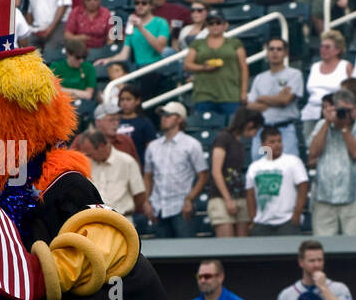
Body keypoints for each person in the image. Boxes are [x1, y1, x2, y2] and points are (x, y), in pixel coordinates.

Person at [307, 90, 356, 235]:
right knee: (324, 246)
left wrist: (344, 128)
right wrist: (327, 123)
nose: (345, 114)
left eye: (349, 110)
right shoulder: (321, 126)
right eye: (342, 110)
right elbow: (313, 153)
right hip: (324, 196)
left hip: (355, 197)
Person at [140, 101, 208, 238]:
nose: (163, 118)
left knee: (186, 254)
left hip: (181, 206)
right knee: (164, 255)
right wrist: (146, 201)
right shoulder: (153, 146)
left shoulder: (192, 145)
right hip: (158, 207)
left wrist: (189, 199)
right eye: (163, 115)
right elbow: (148, 177)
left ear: (180, 119)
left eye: (168, 115)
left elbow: (203, 176)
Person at [205, 106, 263, 237]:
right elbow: (216, 171)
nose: (255, 134)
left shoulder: (239, 142)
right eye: (256, 129)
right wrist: (228, 199)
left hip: (239, 196)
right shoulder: (223, 138)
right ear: (250, 124)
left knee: (243, 244)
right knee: (227, 246)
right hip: (221, 197)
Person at [247, 37, 304, 162]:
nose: (275, 52)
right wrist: (277, 98)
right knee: (260, 168)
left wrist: (262, 98)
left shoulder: (294, 74)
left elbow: (285, 101)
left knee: (288, 167)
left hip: (285, 129)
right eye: (271, 49)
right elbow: (250, 105)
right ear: (267, 52)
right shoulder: (259, 78)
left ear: (285, 53)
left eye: (279, 49)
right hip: (262, 131)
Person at [185, 10, 249, 121]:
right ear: (207, 26)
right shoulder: (198, 43)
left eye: (218, 22)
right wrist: (203, 67)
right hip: (204, 94)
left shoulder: (234, 43)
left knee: (232, 128)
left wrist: (243, 91)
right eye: (211, 23)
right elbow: (187, 65)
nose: (215, 26)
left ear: (225, 25)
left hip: (230, 94)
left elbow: (243, 67)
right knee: (203, 126)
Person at [245, 126, 309, 235]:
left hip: (287, 221)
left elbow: (303, 187)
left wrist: (297, 214)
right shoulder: (254, 167)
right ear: (263, 145)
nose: (277, 145)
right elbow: (250, 194)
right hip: (262, 222)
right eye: (272, 142)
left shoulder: (293, 161)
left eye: (279, 141)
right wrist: (253, 218)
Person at [80, 129, 145, 219]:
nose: (87, 158)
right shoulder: (87, 165)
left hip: (122, 220)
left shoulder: (127, 162)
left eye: (90, 155)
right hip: (94, 222)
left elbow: (139, 195)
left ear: (101, 146)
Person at [301, 29, 352, 122]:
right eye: (322, 46)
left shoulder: (345, 66)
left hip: (335, 114)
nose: (323, 50)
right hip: (310, 115)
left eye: (327, 47)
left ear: (338, 49)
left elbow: (350, 93)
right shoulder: (315, 66)